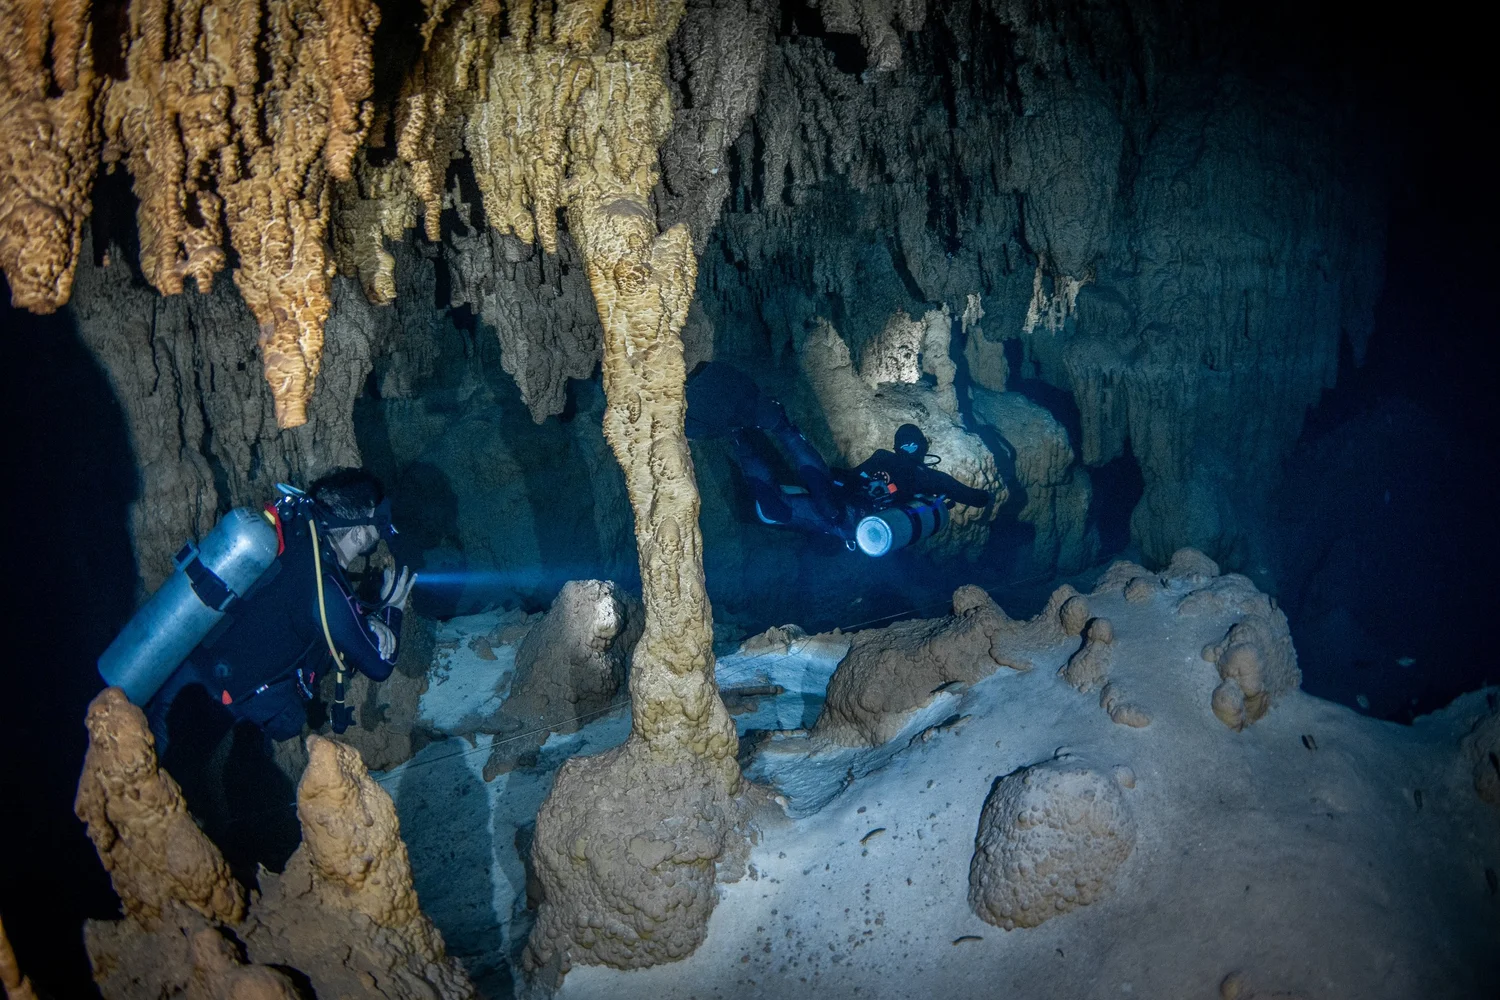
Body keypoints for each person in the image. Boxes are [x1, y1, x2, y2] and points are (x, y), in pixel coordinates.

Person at [144, 468, 415, 751]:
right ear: (358, 535)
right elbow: (379, 666)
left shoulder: (291, 526)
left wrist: (366, 622)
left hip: (191, 661)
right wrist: (393, 609)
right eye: (376, 527)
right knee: (146, 776)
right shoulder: (325, 589)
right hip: (207, 699)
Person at [685, 362, 993, 545]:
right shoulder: (884, 458)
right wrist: (850, 479)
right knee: (806, 507)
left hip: (853, 524)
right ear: (899, 446)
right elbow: (850, 476)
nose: (909, 450)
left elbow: (971, 496)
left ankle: (737, 433)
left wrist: (979, 497)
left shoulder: (928, 478)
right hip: (839, 508)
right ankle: (778, 424)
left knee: (773, 510)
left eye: (914, 446)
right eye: (906, 444)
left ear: (922, 449)